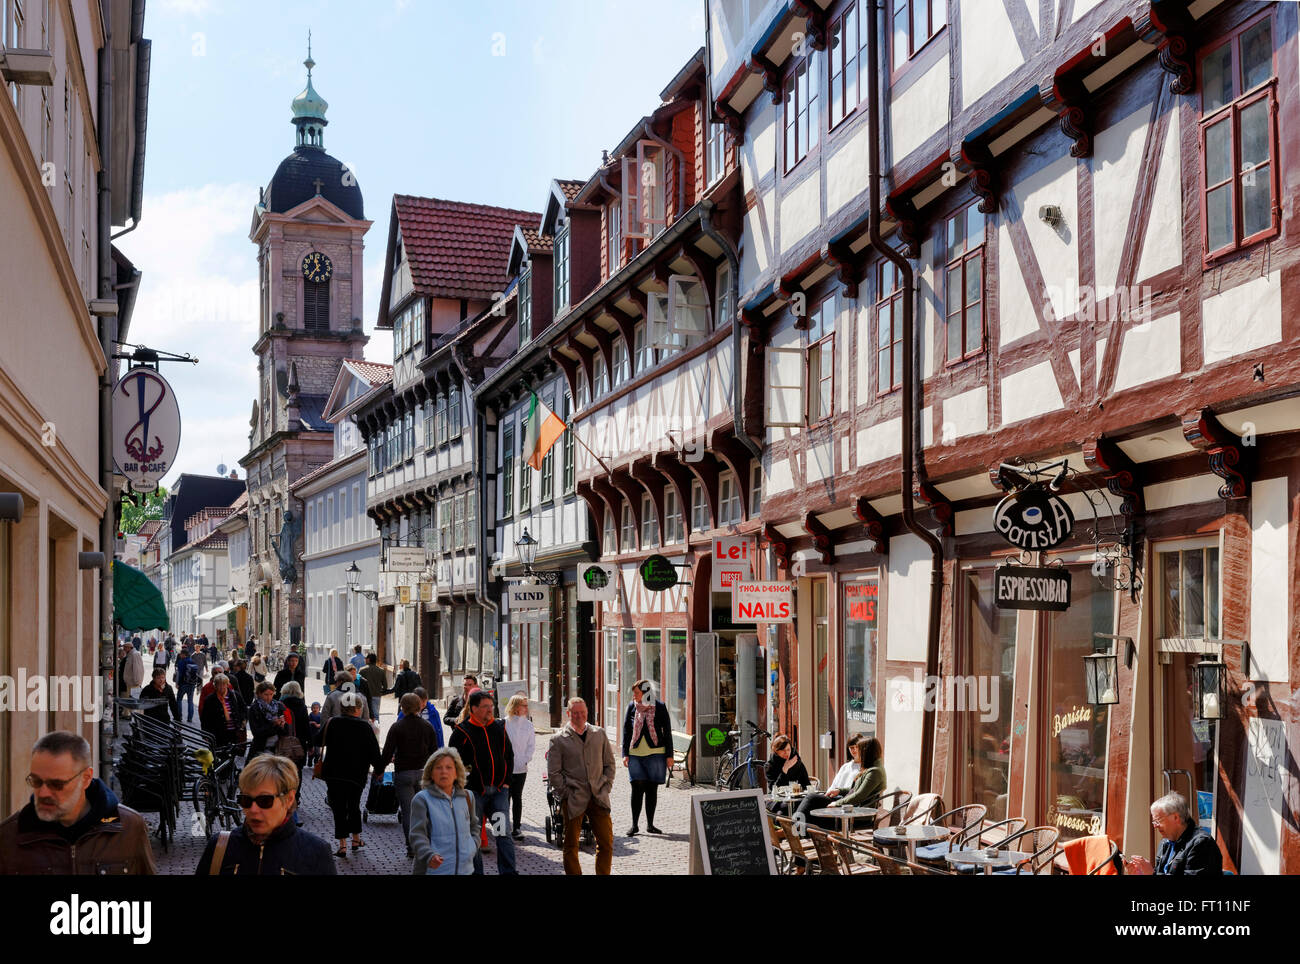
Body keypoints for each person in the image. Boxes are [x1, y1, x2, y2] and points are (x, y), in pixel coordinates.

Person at [0, 731, 156, 874]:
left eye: (57, 784)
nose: (43, 793)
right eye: (36, 781)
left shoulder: (129, 827)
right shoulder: (9, 836)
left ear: (86, 778)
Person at [194, 754, 335, 875]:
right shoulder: (220, 848)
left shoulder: (316, 853)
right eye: (246, 800)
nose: (254, 809)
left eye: (264, 800)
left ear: (289, 799)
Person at [448, 689, 516, 875]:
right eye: (485, 707)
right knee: (473, 837)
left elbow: (509, 756)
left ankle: (509, 872)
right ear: (474, 708)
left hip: (499, 793)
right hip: (473, 794)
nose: (490, 710)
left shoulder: (498, 728)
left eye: (491, 706)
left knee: (503, 834)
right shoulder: (461, 732)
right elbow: (452, 762)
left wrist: (507, 783)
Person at [548, 697, 615, 875]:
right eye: (575, 713)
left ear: (587, 712)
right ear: (568, 714)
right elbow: (554, 773)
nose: (579, 716)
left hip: (598, 796)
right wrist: (566, 794)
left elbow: (610, 764)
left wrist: (606, 786)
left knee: (606, 844)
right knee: (570, 846)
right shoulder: (558, 739)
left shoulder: (599, 733)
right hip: (574, 799)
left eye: (582, 712)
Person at [318, 692, 380, 858]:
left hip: (334, 773)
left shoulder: (332, 722)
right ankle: (356, 839)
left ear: (342, 707)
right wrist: (379, 770)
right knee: (353, 805)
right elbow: (374, 753)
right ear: (358, 709)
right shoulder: (365, 727)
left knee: (338, 808)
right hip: (356, 774)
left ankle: (342, 845)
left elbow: (317, 740)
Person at [381, 693, 439, 854]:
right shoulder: (427, 726)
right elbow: (435, 753)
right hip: (423, 773)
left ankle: (412, 847)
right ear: (419, 707)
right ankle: (426, 845)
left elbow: (387, 752)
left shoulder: (397, 727)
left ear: (402, 707)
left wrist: (379, 770)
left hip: (403, 773)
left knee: (408, 812)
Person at [408, 747, 477, 876]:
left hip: (465, 871)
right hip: (432, 870)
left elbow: (474, 827)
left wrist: (472, 847)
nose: (444, 771)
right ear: (431, 774)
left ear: (457, 773)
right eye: (438, 767)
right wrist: (429, 855)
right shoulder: (422, 799)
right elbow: (417, 835)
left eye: (449, 767)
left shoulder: (467, 797)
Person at [621, 680, 673, 836]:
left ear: (646, 693)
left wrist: (669, 755)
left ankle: (650, 824)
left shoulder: (660, 707)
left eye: (637, 693)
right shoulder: (632, 707)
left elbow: (667, 732)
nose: (634, 696)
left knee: (652, 789)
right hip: (635, 753)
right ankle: (634, 825)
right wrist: (625, 754)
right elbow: (626, 732)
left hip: (656, 753)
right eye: (634, 693)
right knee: (636, 789)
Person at [1125, 792, 1222, 875]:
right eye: (1154, 822)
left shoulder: (1201, 843)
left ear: (1176, 818)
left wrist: (1151, 873)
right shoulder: (1165, 843)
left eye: (1158, 821)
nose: (1155, 826)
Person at [794, 734, 869, 826]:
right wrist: (826, 795)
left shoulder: (865, 769)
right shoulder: (845, 766)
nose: (854, 750)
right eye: (851, 747)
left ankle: (793, 827)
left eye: (856, 747)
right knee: (806, 803)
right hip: (834, 797)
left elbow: (857, 793)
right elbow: (834, 786)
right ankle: (797, 831)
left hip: (846, 803)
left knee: (811, 798)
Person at [279, 680, 312, 823]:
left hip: (282, 743)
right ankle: (295, 797)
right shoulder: (301, 706)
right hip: (299, 745)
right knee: (297, 771)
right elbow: (306, 726)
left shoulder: (280, 704)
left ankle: (283, 796)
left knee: (282, 770)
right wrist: (310, 744)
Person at [503, 693, 535, 841]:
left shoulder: (528, 725)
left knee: (517, 797)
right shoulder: (504, 724)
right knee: (505, 797)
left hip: (521, 768)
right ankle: (504, 826)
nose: (526, 708)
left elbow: (531, 745)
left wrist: (525, 759)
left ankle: (516, 827)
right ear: (515, 707)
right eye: (524, 705)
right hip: (505, 768)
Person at [199, 673, 247, 747]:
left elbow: (244, 709)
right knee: (219, 755)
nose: (221, 687)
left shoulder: (235, 695)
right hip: (217, 734)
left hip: (234, 733)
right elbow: (205, 718)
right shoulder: (210, 699)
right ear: (215, 686)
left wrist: (242, 720)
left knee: (232, 754)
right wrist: (205, 734)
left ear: (227, 684)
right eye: (219, 684)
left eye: (224, 684)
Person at [247, 681, 288, 758]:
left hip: (278, 748)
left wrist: (283, 725)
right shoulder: (254, 708)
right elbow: (256, 732)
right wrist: (273, 724)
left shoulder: (279, 706)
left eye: (271, 694)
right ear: (259, 694)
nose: (269, 697)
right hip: (261, 749)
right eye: (266, 694)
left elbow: (286, 731)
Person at [174, 647, 200, 723]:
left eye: (181, 654)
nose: (180, 655)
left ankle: (179, 716)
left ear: (183, 654)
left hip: (183, 684)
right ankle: (190, 718)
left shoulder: (181, 662)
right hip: (191, 684)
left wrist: (177, 683)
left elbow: (179, 674)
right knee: (190, 701)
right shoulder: (192, 661)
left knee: (179, 700)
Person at [359, 653, 387, 721]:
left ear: (368, 660)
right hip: (377, 695)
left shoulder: (362, 670)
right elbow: (385, 686)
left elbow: (358, 683)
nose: (365, 660)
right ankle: (376, 730)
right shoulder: (381, 671)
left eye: (365, 659)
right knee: (376, 715)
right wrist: (381, 692)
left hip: (364, 695)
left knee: (364, 715)